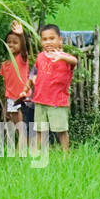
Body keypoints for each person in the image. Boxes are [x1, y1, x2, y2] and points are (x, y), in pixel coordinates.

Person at [28, 24, 78, 153]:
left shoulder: (65, 58)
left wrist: (61, 56)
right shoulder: (40, 57)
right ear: (41, 42)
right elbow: (36, 72)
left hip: (57, 101)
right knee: (39, 129)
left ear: (60, 40)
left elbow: (75, 61)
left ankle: (66, 153)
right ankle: (37, 152)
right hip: (40, 100)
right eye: (45, 39)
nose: (48, 42)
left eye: (52, 38)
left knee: (61, 129)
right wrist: (33, 80)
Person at [0, 27, 30, 153]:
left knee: (21, 126)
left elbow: (24, 50)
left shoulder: (22, 60)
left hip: (22, 98)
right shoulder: (5, 64)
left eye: (15, 42)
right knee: (17, 126)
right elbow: (6, 85)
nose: (11, 44)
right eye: (9, 41)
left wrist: (21, 34)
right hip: (11, 99)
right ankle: (24, 148)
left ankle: (20, 152)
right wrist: (6, 105)